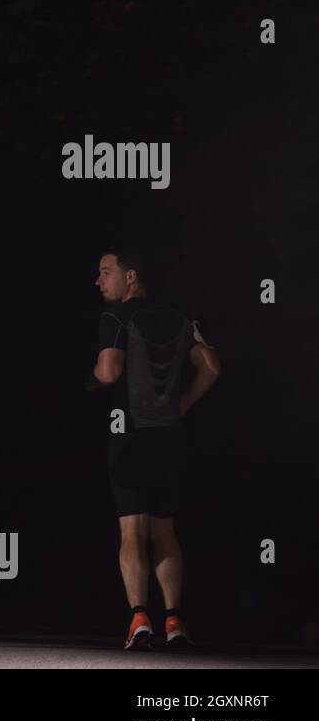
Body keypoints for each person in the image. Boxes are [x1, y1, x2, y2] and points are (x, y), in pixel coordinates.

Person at [91, 250, 220, 650]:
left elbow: (110, 371)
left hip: (130, 434)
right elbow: (213, 366)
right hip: (170, 436)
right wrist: (181, 404)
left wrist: (92, 377)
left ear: (130, 276)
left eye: (105, 273)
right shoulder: (180, 319)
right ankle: (175, 620)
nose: (99, 281)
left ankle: (139, 619)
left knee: (132, 530)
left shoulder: (115, 318)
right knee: (165, 531)